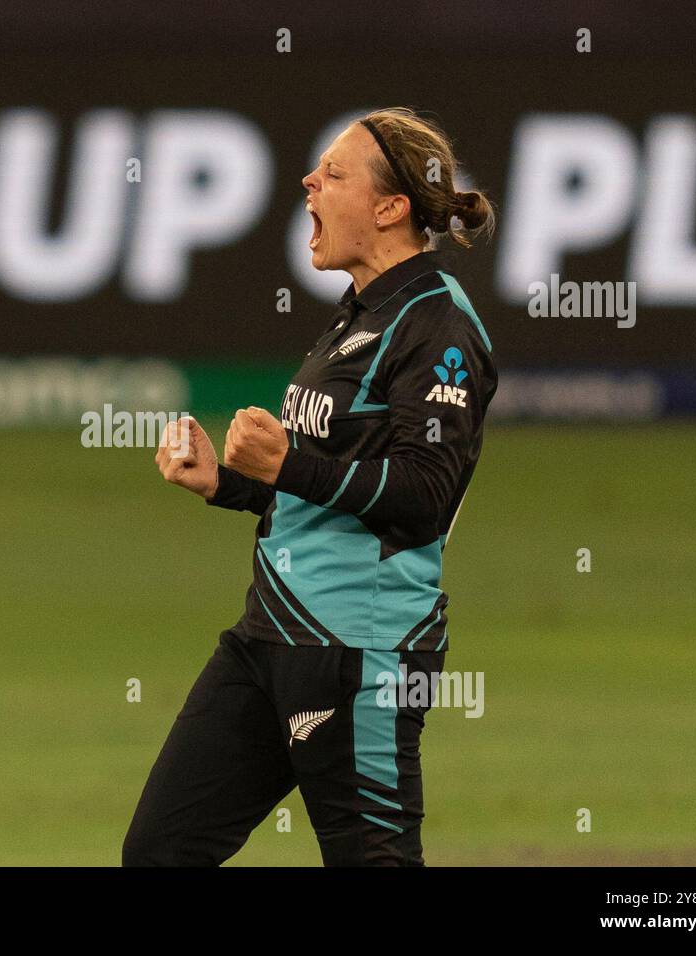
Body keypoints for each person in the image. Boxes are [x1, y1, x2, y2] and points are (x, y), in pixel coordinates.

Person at [123, 108, 497, 866]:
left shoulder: (438, 328)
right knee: (160, 852)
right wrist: (227, 484)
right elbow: (331, 491)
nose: (308, 182)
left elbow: (423, 499)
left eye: (333, 173)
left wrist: (286, 464)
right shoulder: (356, 318)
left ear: (391, 208)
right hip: (269, 641)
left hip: (359, 650)